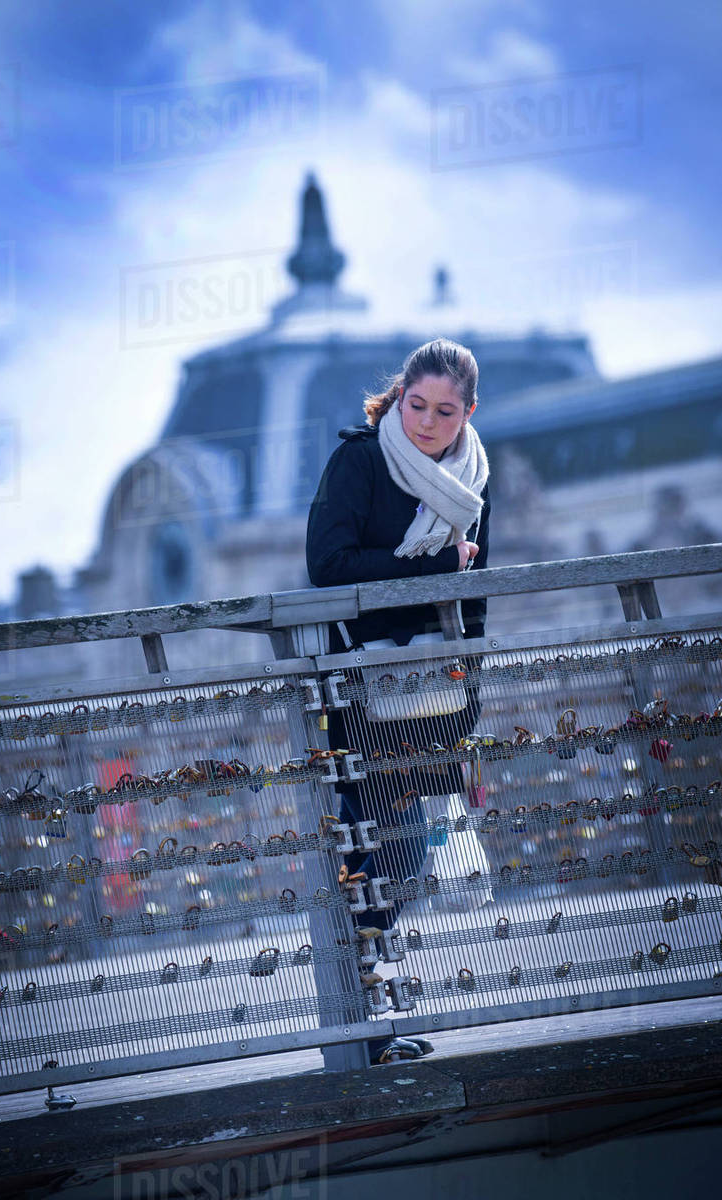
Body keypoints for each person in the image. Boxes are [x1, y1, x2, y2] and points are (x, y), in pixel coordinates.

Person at [306, 337, 492, 1064]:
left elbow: (477, 591)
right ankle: (369, 1028)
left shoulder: (473, 474)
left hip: (435, 695)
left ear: (467, 412)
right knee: (369, 855)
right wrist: (432, 568)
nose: (425, 422)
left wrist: (468, 696)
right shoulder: (360, 459)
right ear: (399, 396)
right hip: (360, 690)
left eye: (444, 411)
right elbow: (327, 566)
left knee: (408, 857)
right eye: (416, 405)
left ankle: (378, 1016)